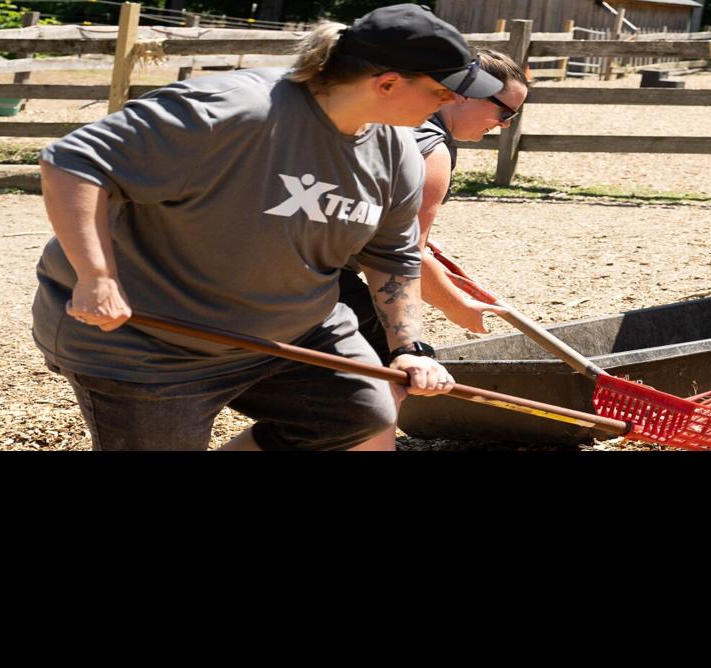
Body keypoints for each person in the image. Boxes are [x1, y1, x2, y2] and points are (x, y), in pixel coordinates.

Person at [31, 4, 503, 450]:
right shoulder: (232, 111)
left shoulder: (399, 152)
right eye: (442, 91)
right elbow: (73, 162)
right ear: (387, 84)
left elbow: (392, 256)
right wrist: (97, 277)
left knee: (360, 411)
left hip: (291, 333)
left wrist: (409, 348)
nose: (452, 102)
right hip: (150, 346)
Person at [336, 48, 530, 451]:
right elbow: (404, 255)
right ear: (465, 94)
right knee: (385, 370)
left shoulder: (391, 123)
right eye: (504, 113)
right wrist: (456, 304)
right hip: (320, 269)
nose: (504, 126)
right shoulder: (431, 148)